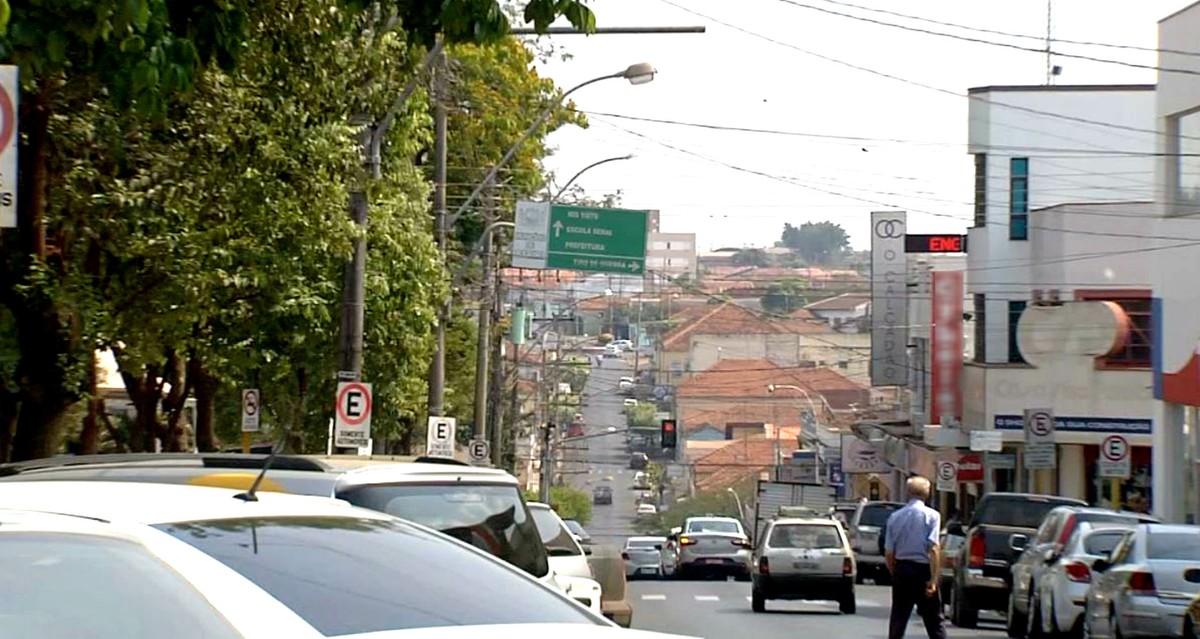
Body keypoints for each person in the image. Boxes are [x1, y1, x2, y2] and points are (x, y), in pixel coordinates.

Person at [884, 476, 946, 639]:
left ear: (908, 493)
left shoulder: (895, 517)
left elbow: (889, 552)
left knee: (899, 617)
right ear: (927, 494)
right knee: (934, 620)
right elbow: (933, 548)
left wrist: (895, 572)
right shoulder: (932, 516)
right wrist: (933, 580)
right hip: (922, 570)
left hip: (902, 569)